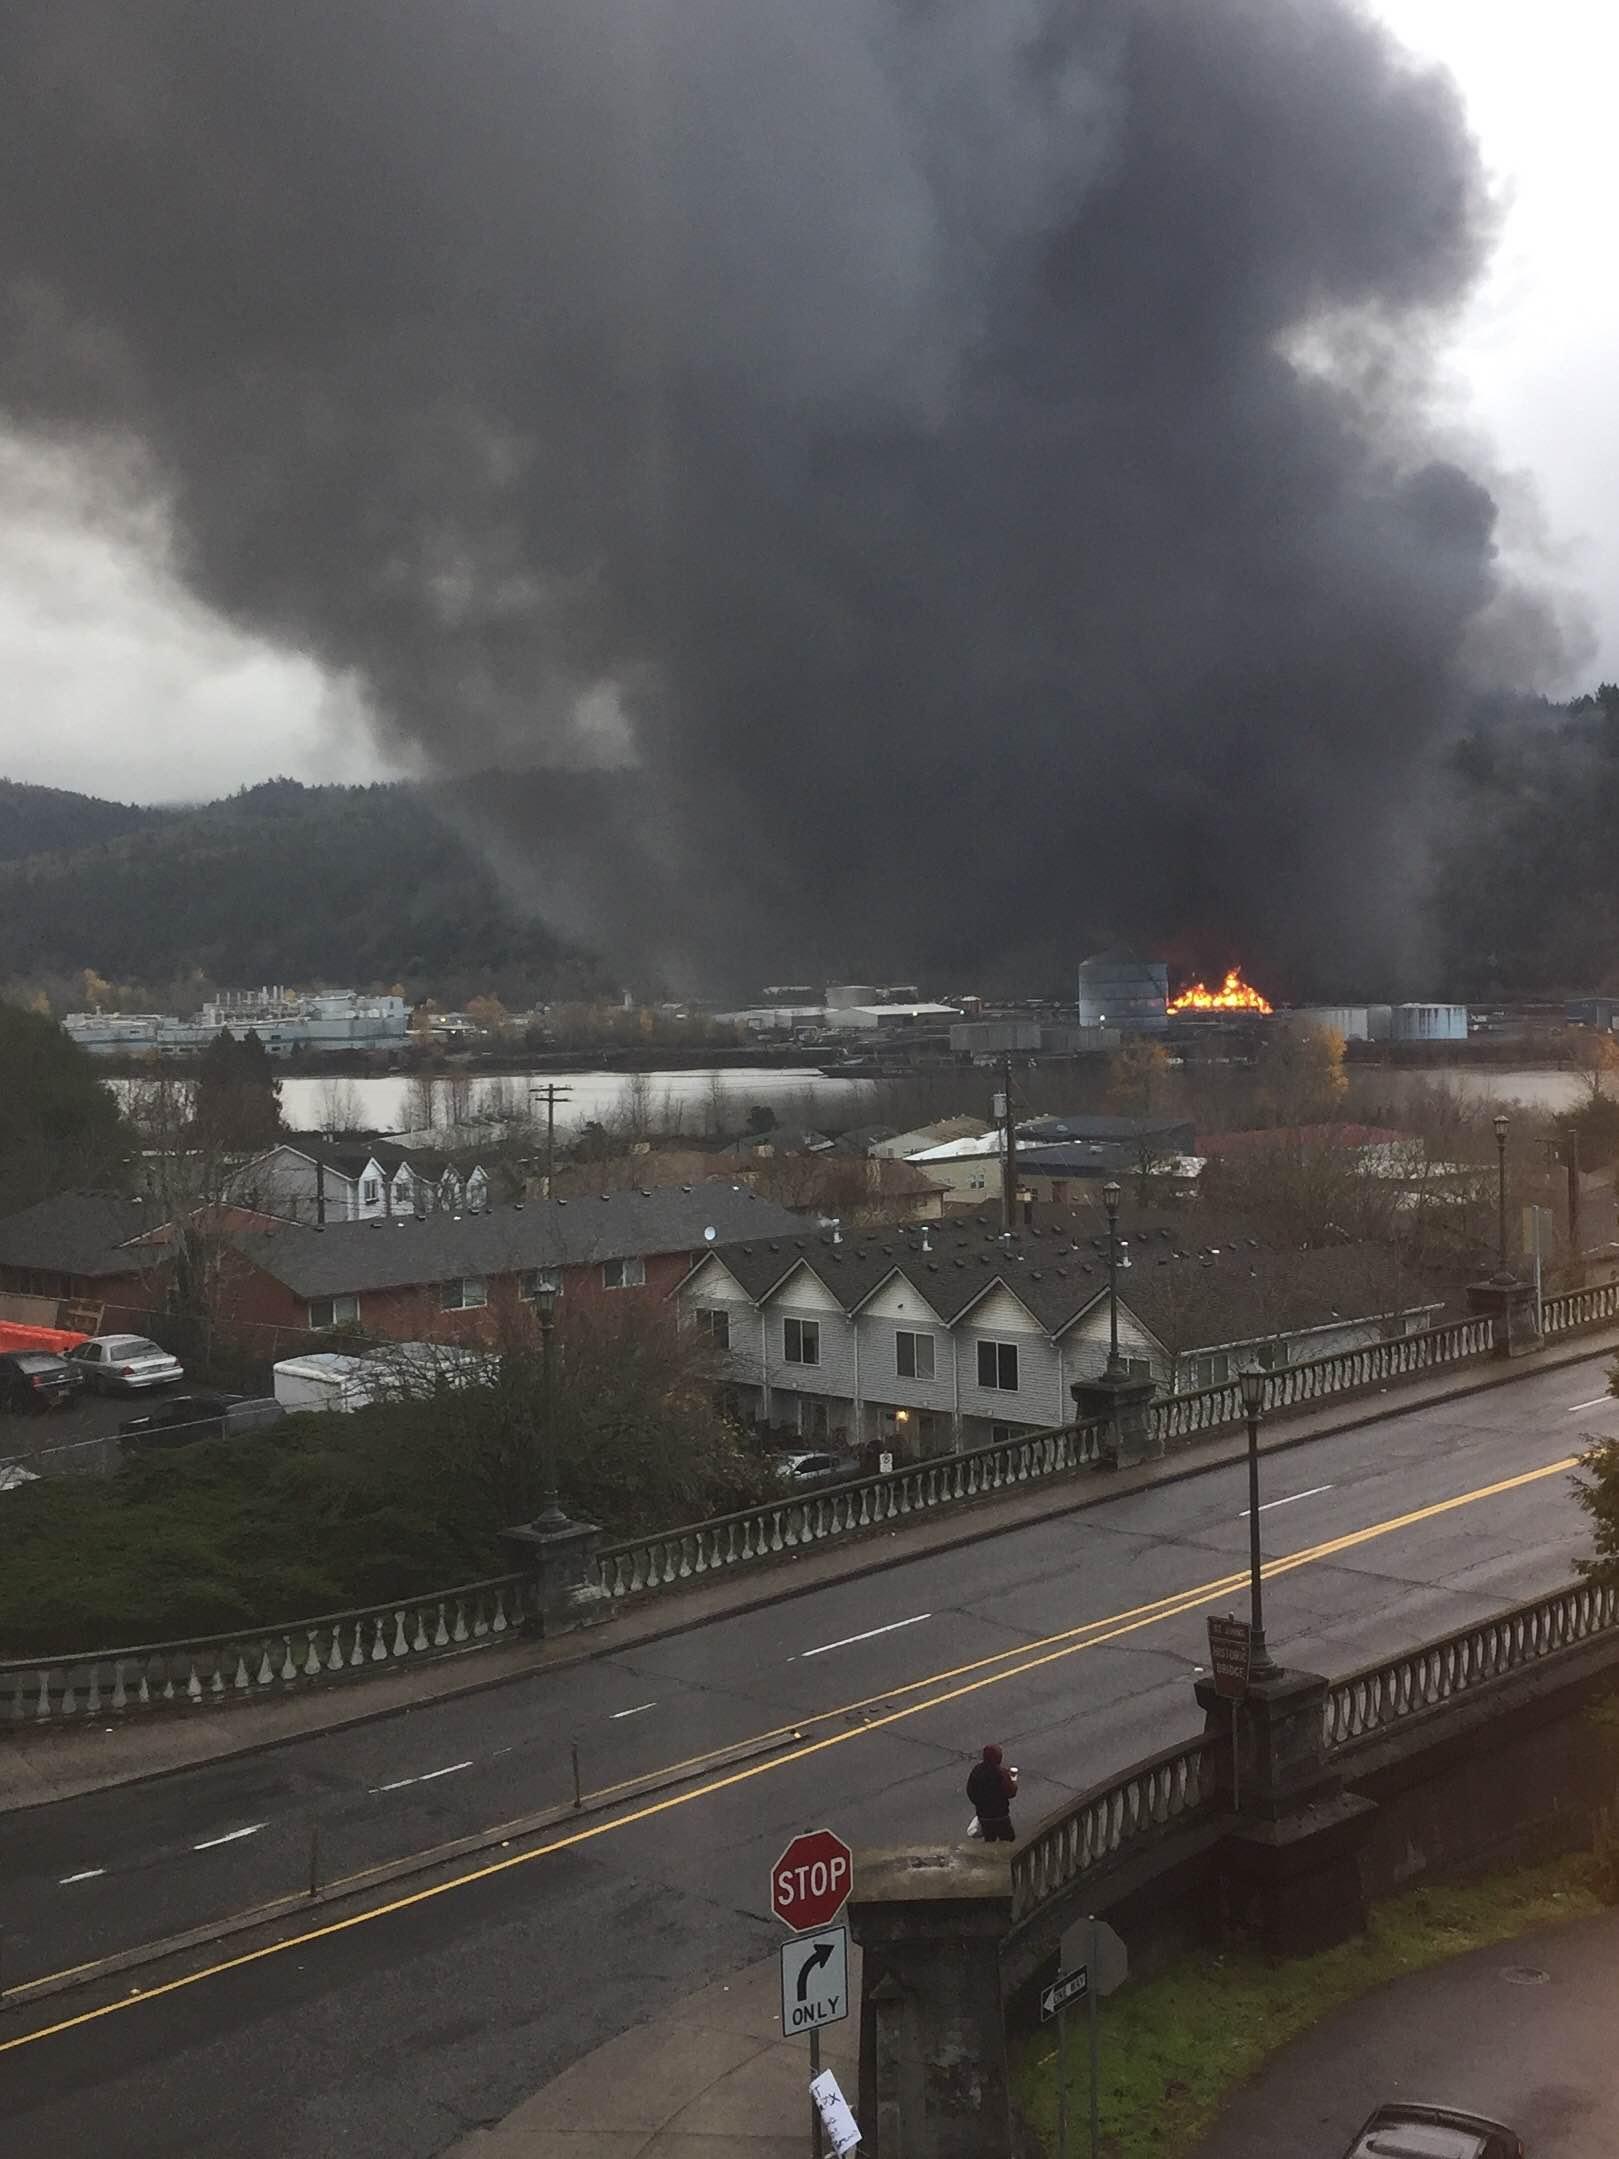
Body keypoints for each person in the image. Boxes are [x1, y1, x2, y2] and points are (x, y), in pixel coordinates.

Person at [966, 1743, 1019, 1843]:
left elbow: (970, 1791)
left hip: (983, 1815)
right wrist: (1013, 1780)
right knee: (1008, 1839)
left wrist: (979, 1804)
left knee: (989, 1839)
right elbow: (1011, 1792)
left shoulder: (977, 1771)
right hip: (1000, 1815)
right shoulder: (1001, 1773)